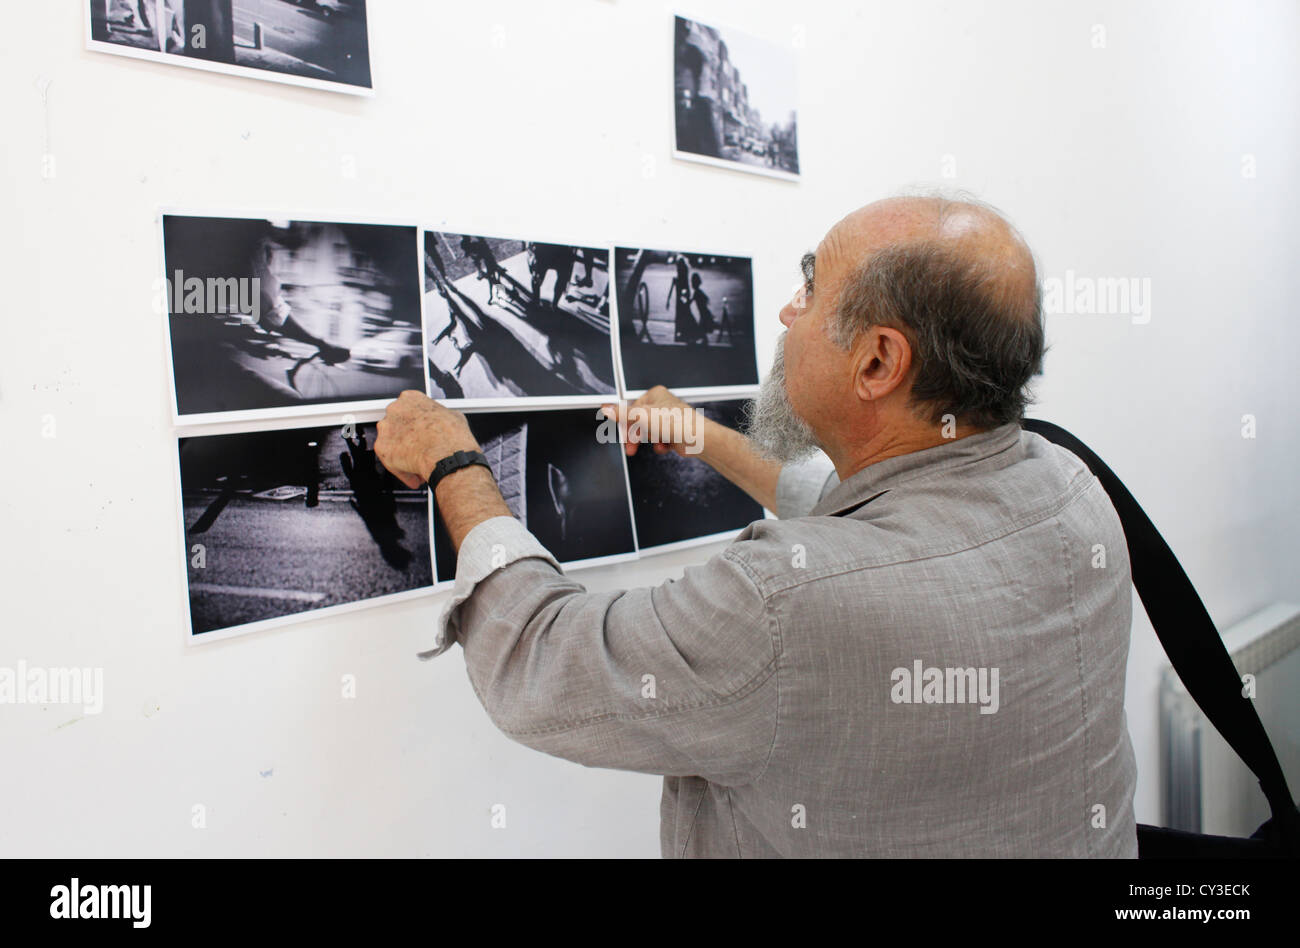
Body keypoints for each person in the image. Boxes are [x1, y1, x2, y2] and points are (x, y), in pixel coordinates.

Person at [373, 194, 1139, 858]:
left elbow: (541, 663)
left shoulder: (785, 605)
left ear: (877, 364)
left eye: (810, 287)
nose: (785, 311)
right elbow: (885, 527)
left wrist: (454, 465)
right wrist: (705, 438)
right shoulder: (1072, 491)